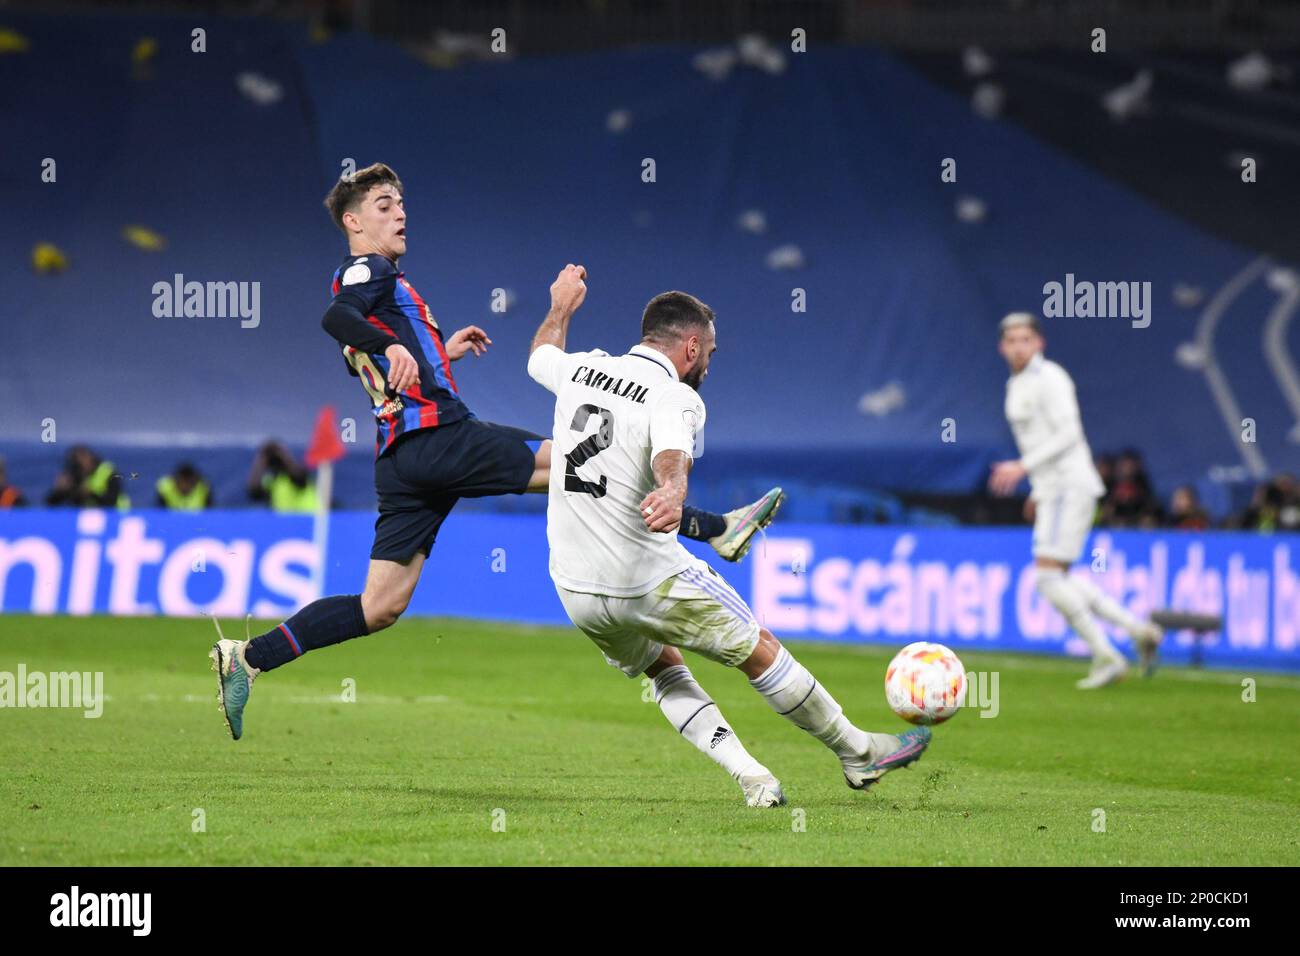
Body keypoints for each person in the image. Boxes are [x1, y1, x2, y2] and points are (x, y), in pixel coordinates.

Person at [209, 163, 783, 741]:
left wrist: (438, 352)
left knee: (378, 605)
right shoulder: (368, 269)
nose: (400, 212)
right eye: (384, 205)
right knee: (583, 462)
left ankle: (249, 658)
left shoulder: (384, 284)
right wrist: (387, 341)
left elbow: (384, 353)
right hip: (441, 438)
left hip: (404, 462)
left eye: (401, 201)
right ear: (354, 222)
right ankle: (715, 529)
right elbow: (337, 316)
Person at [527, 273, 930, 806]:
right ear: (690, 347)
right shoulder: (675, 396)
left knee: (663, 666)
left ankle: (754, 778)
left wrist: (559, 307)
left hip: (575, 588)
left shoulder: (583, 368)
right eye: (710, 352)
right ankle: (857, 751)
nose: (710, 365)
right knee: (758, 650)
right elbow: (672, 453)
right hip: (649, 577)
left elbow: (539, 356)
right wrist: (672, 489)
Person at [988, 313, 1162, 687]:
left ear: (1039, 343)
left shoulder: (1050, 378)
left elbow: (1069, 433)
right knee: (1058, 576)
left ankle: (1108, 656)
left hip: (1069, 485)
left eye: (1026, 339)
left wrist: (1023, 468)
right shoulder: (1015, 384)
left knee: (1048, 578)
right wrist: (1036, 486)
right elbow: (1038, 438)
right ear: (1003, 346)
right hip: (1053, 488)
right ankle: (1138, 630)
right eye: (1012, 340)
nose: (1019, 346)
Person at [44, 445, 130, 510]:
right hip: (88, 518)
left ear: (89, 458)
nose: (78, 467)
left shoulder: (108, 471)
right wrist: (59, 492)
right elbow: (50, 504)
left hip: (116, 515)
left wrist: (90, 494)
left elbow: (111, 501)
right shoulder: (74, 476)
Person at [247, 441, 317, 513]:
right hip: (284, 521)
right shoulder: (270, 480)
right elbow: (254, 493)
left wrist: (283, 456)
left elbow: (300, 481)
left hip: (308, 516)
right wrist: (261, 461)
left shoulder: (299, 473)